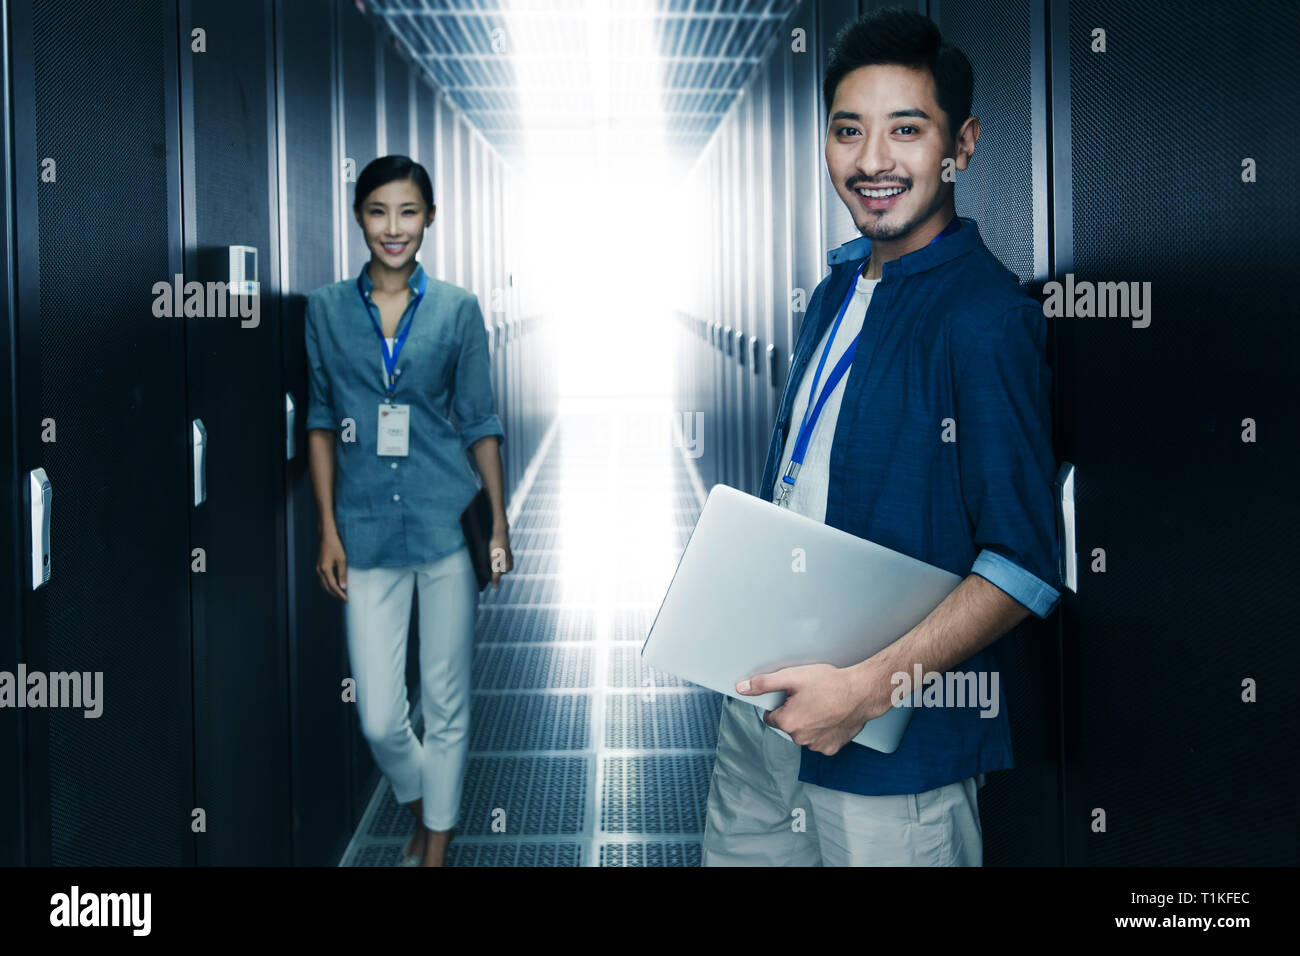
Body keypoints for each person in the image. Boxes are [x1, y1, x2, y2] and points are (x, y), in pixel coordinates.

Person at [701, 8, 1061, 866]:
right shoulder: (833, 290)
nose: (871, 161)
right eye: (847, 131)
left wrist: (865, 692)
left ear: (960, 145)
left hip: (892, 750)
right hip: (765, 701)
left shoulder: (984, 320)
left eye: (907, 129)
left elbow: (1021, 568)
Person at [304, 155, 512, 867]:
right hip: (363, 529)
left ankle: (435, 850)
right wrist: (327, 527)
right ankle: (428, 805)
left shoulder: (457, 309)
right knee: (381, 716)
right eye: (378, 211)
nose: (394, 229)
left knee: (448, 698)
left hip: (446, 520)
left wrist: (501, 529)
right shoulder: (327, 310)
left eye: (408, 212)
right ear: (359, 216)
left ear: (429, 218)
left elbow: (481, 421)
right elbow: (324, 422)